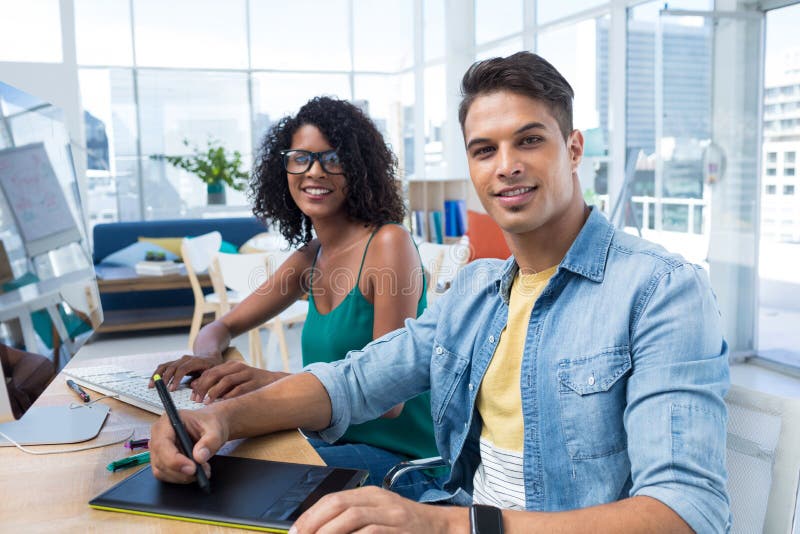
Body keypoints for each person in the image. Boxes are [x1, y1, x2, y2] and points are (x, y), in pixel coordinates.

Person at [150, 53, 730, 533]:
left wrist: (449, 524)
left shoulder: (659, 290)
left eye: (529, 140)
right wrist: (219, 419)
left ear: (574, 149)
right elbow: (355, 380)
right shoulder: (477, 291)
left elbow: (689, 512)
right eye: (484, 150)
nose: (506, 166)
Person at [149, 96, 440, 499]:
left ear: (359, 168)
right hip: (338, 443)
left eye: (332, 158)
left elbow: (387, 399)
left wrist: (265, 381)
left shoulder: (389, 243)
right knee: (216, 464)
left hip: (402, 464)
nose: (314, 171)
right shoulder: (311, 256)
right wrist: (210, 359)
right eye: (300, 158)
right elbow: (223, 325)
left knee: (236, 481)